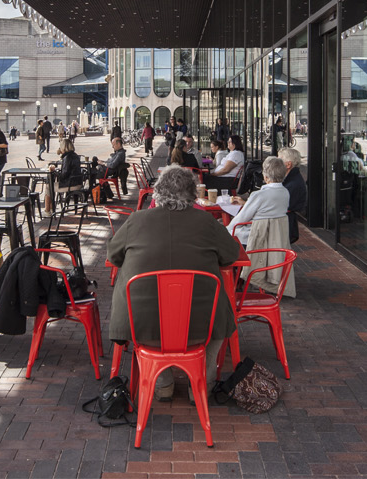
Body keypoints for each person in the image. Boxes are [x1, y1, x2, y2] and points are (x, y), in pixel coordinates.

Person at [107, 166, 241, 401]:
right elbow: (231, 255)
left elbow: (114, 256)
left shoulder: (137, 220)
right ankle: (200, 384)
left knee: (149, 329)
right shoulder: (207, 222)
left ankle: (164, 382)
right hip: (201, 324)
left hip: (141, 323)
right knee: (220, 323)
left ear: (157, 193)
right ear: (192, 194)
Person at [228, 156, 290, 246]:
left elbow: (240, 219)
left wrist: (226, 229)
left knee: (227, 232)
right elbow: (267, 209)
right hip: (276, 238)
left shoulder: (258, 195)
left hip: (256, 238)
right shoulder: (285, 192)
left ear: (265, 177)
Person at [280, 147, 307, 243]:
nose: (277, 164)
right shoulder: (289, 178)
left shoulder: (293, 183)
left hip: (285, 225)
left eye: (279, 161)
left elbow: (279, 204)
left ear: (288, 164)